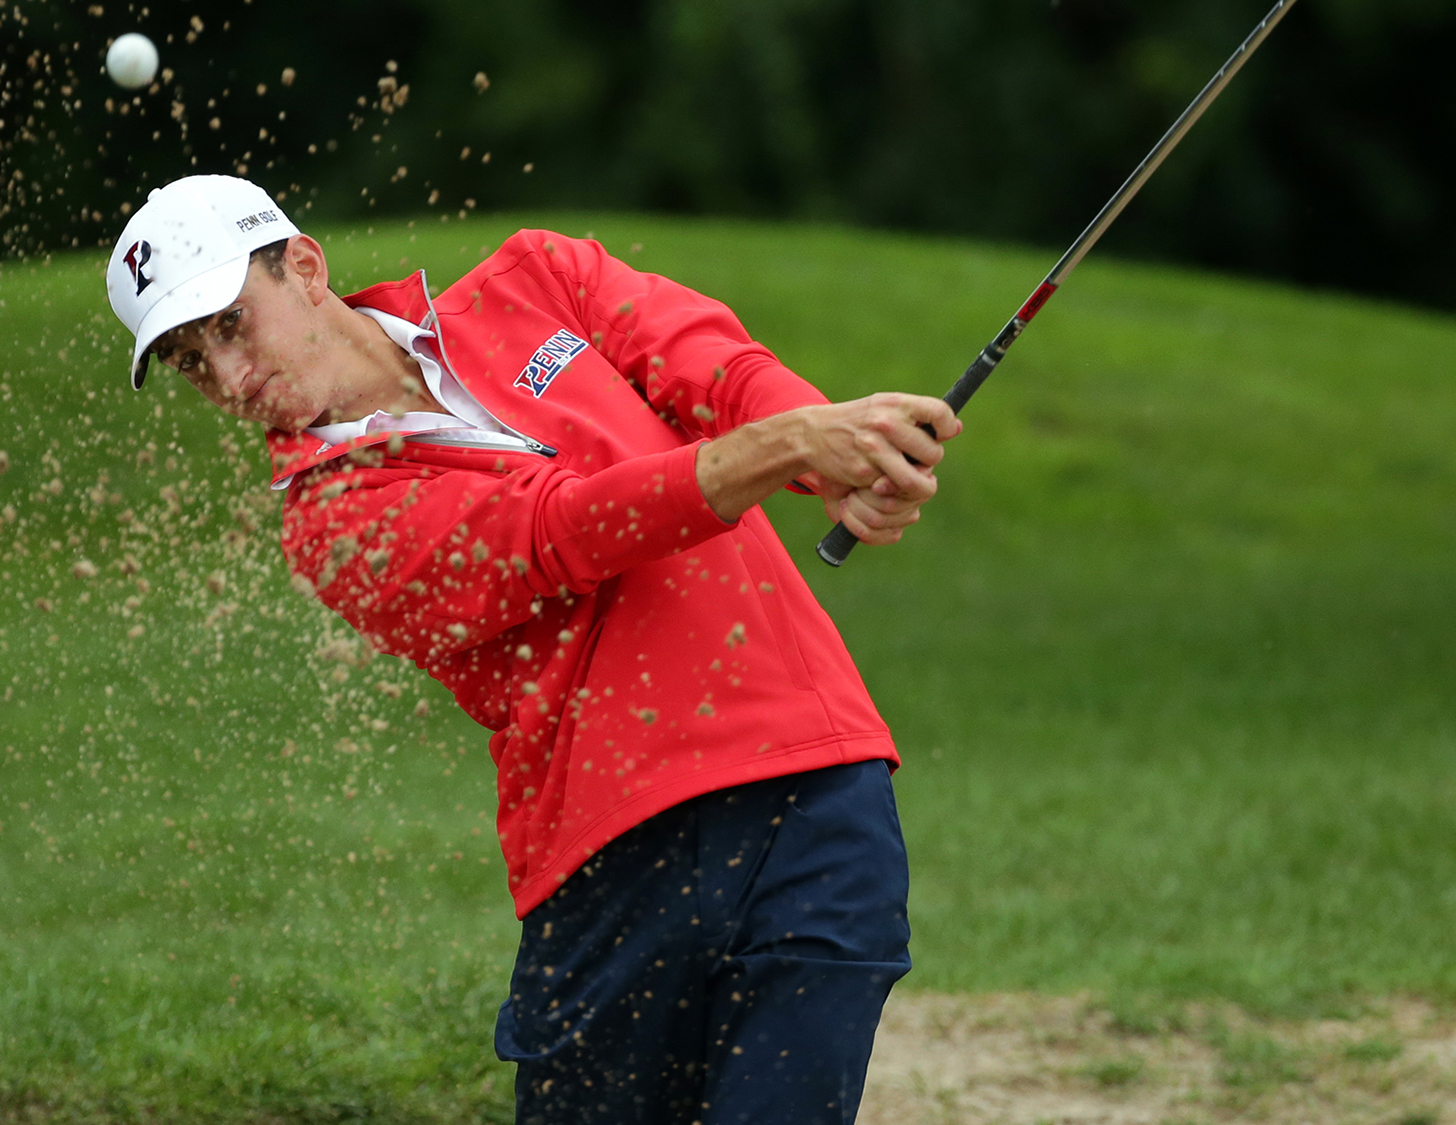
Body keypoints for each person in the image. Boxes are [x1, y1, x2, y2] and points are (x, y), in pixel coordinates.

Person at [105, 175, 960, 1125]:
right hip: (617, 865)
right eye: (190, 362)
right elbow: (562, 531)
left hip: (817, 791)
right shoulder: (334, 528)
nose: (224, 377)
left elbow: (710, 364)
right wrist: (791, 443)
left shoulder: (537, 278)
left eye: (229, 327)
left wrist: (834, 451)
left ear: (306, 266)